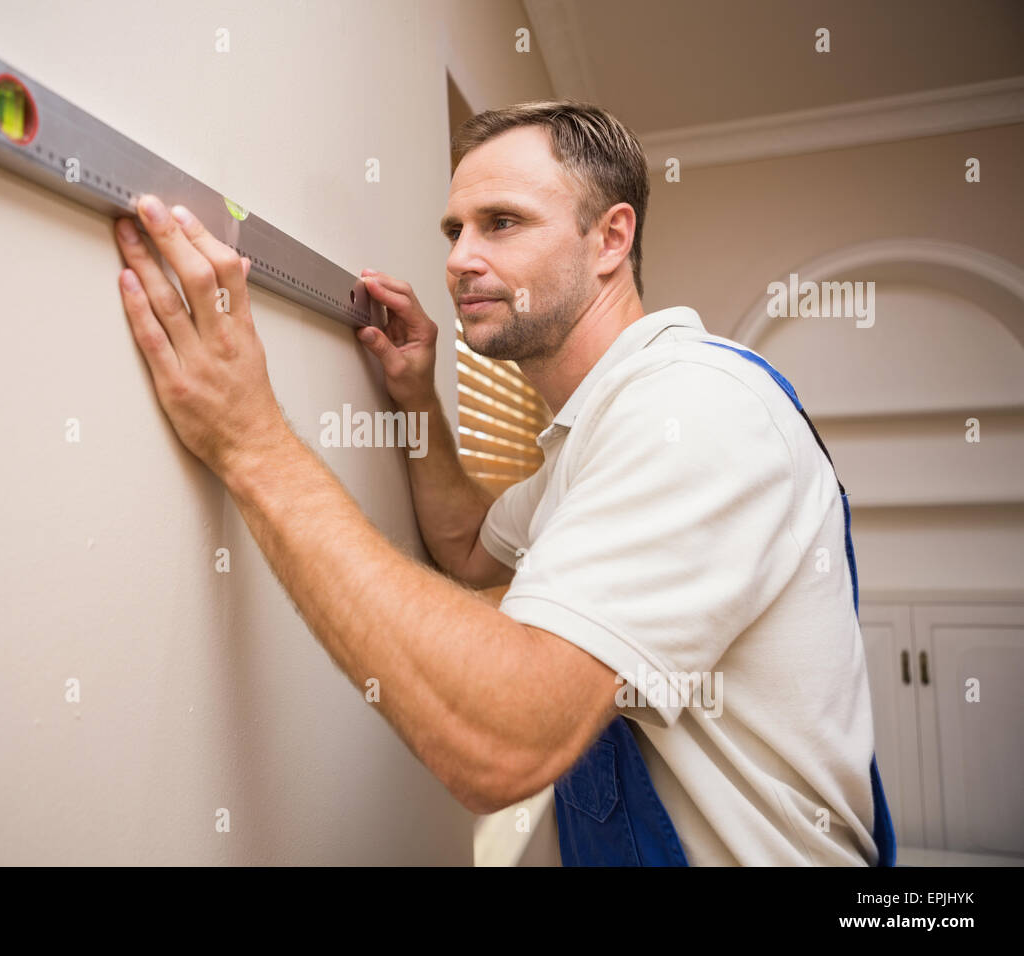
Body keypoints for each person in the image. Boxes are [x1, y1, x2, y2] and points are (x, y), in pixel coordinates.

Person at [111, 98, 892, 866]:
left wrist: (252, 443)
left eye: (502, 223)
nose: (458, 259)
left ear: (610, 238)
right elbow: (467, 545)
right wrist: (417, 398)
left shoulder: (691, 408)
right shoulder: (592, 435)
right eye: (455, 230)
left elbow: (505, 739)